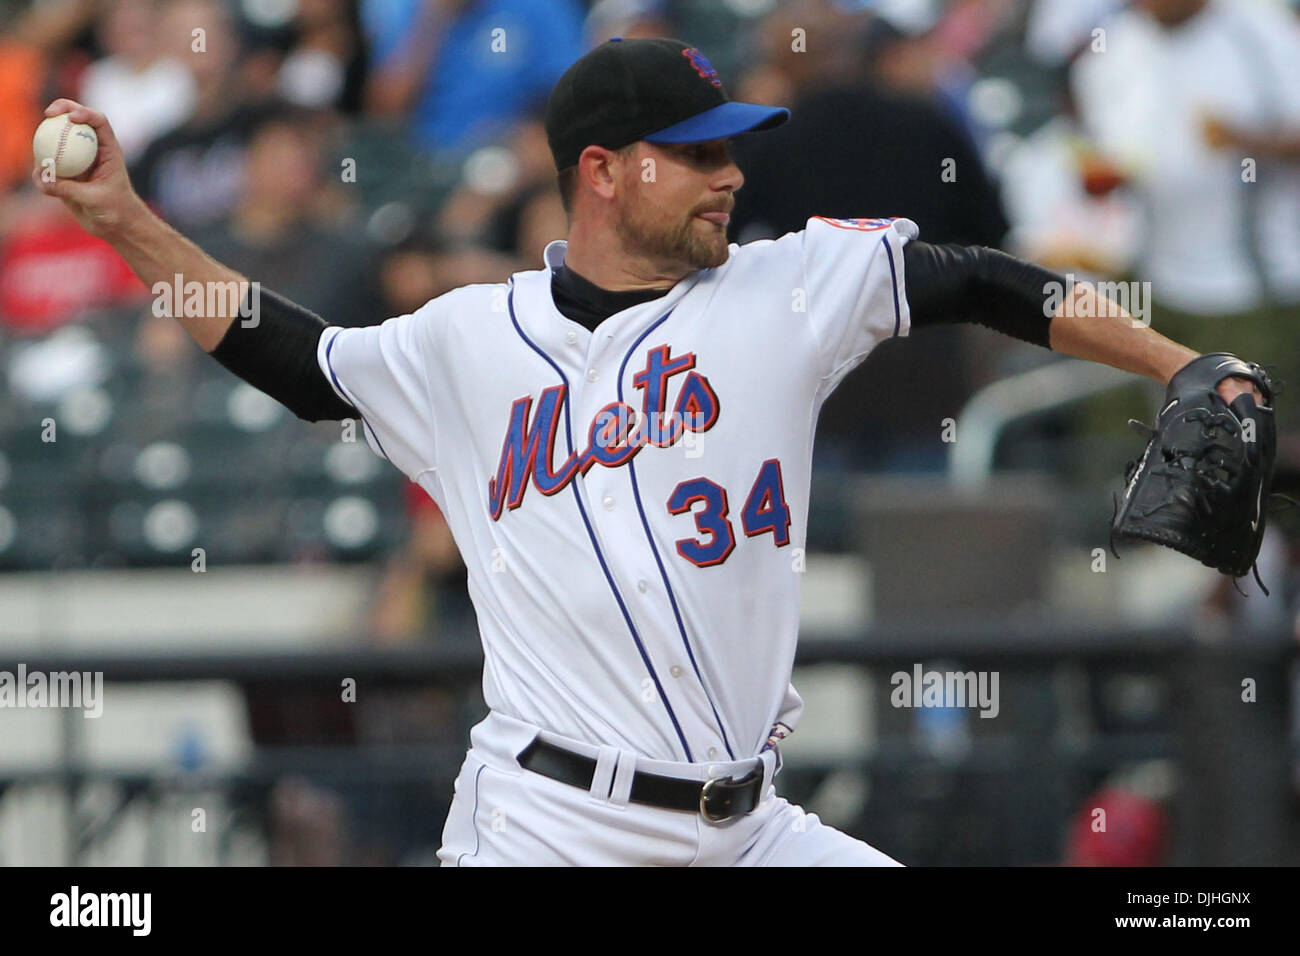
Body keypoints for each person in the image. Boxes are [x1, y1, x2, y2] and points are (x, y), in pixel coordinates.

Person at [34, 37, 1265, 867]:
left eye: (733, 148)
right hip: (549, 824)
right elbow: (292, 359)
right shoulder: (467, 341)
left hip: (753, 827)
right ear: (605, 171)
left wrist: (1175, 364)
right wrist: (131, 224)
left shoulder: (788, 288)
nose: (733, 174)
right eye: (701, 152)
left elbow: (988, 282)